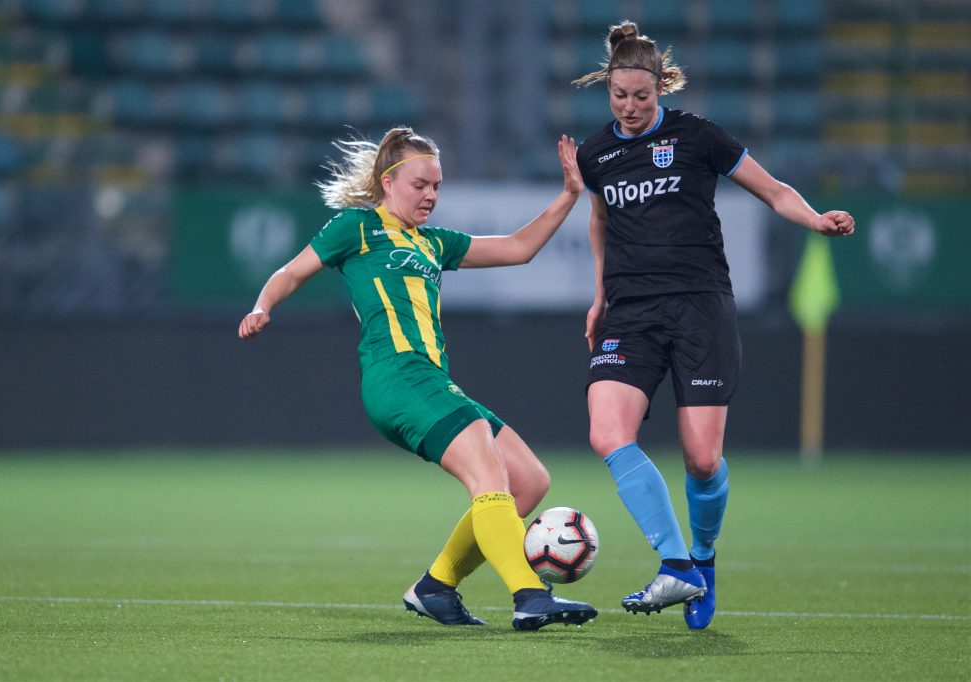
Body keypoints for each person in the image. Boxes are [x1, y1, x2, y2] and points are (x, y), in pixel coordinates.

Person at [239, 127, 598, 631]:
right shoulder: (358, 227)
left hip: (429, 378)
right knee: (489, 478)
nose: (430, 195)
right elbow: (292, 272)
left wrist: (568, 196)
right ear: (388, 182)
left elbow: (519, 248)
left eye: (437, 186)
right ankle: (529, 594)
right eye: (420, 185)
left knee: (530, 482)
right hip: (397, 376)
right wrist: (262, 305)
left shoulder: (433, 242)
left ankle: (435, 588)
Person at [572, 21, 855, 630]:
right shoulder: (597, 153)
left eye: (640, 97)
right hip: (629, 311)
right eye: (618, 96)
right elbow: (599, 221)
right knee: (606, 433)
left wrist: (815, 220)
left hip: (701, 306)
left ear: (660, 87)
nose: (628, 107)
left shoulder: (697, 136)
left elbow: (772, 189)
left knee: (702, 459)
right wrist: (599, 296)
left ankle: (703, 560)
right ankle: (675, 564)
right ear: (609, 90)